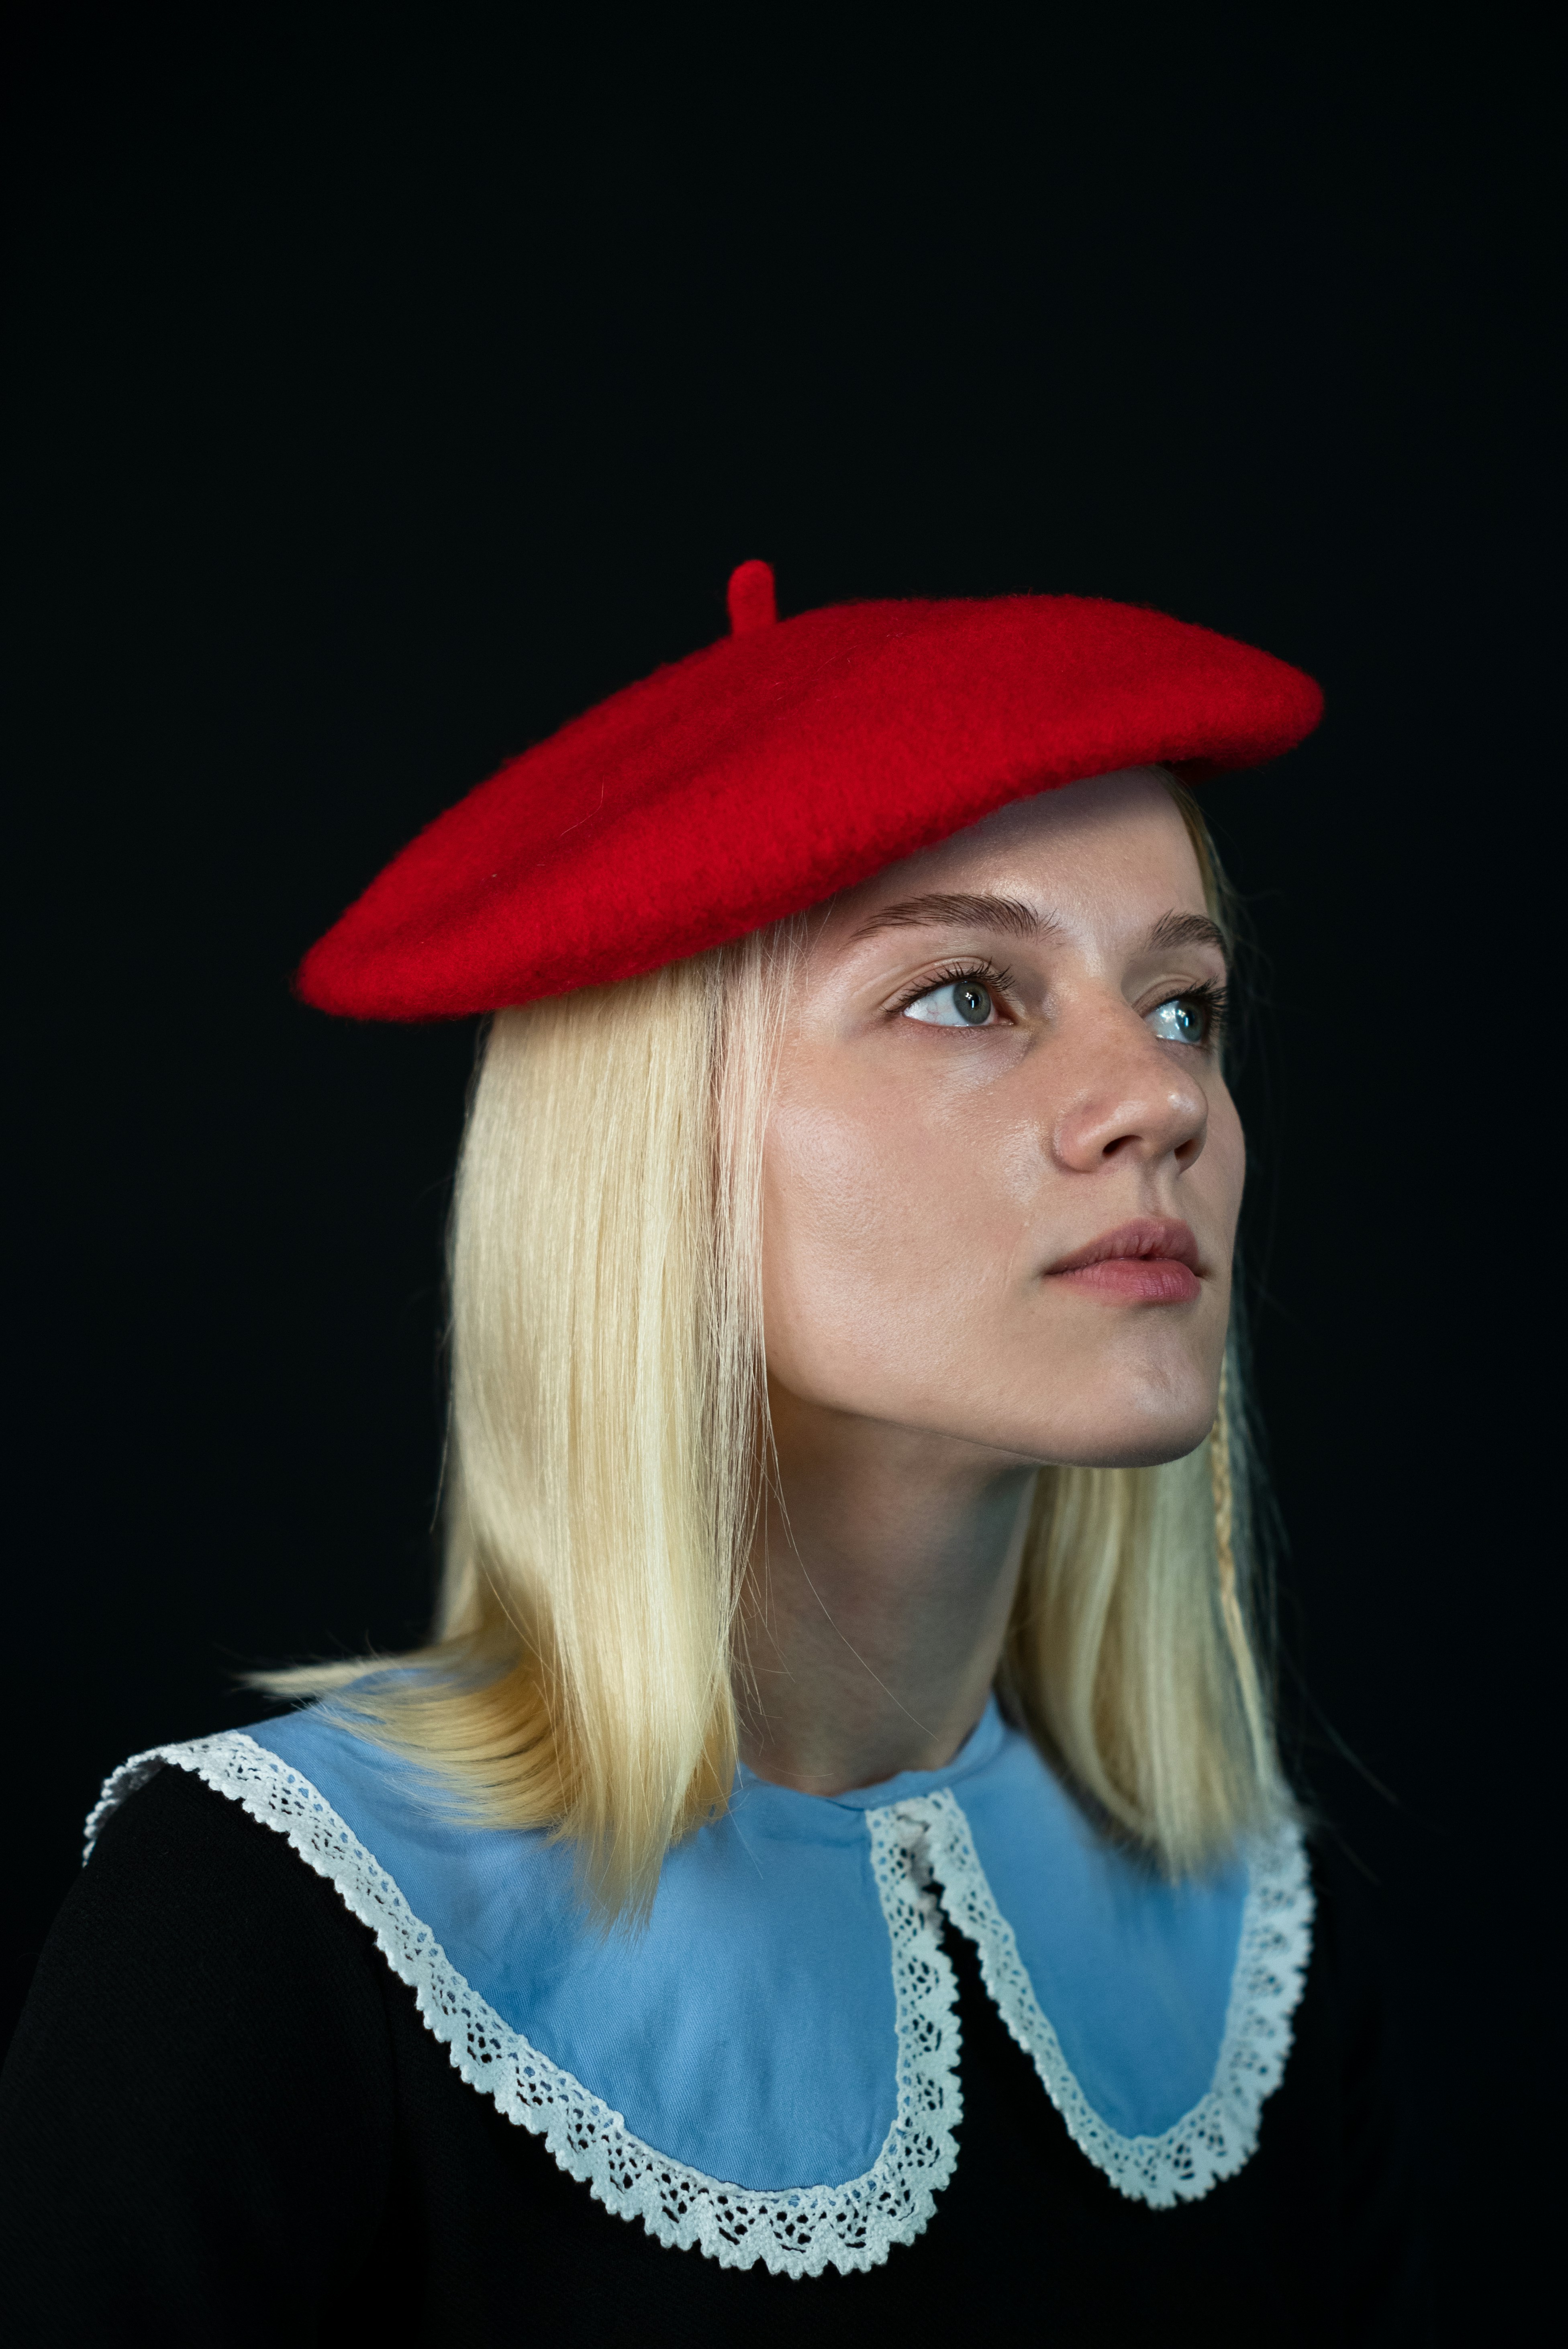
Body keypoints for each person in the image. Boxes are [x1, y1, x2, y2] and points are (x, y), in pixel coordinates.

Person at [1, 565, 1419, 2343]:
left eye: (1181, 1001)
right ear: (656, 1145)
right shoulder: (263, 1939)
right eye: (969, 991)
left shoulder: (1251, 1949)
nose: (1161, 1095)